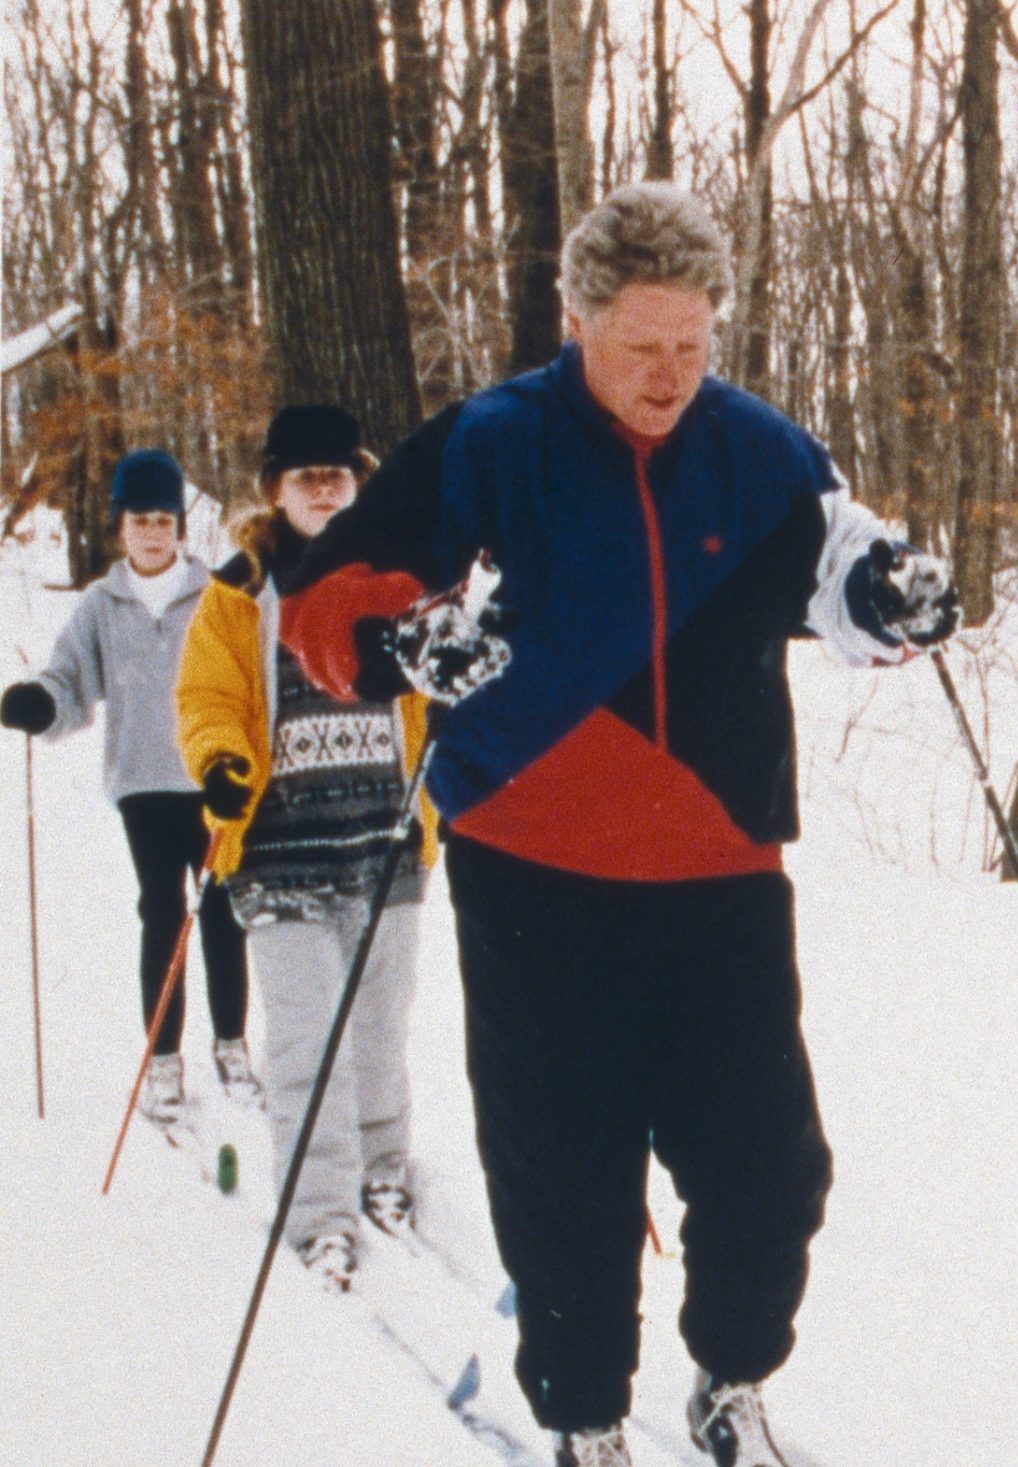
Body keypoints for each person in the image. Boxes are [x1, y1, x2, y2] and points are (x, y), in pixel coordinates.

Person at [274, 183, 959, 1467]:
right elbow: (327, 599)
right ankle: (588, 1420)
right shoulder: (493, 441)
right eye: (643, 346)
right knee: (566, 1179)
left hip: (721, 863)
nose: (670, 375)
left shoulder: (759, 450)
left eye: (694, 345)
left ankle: (731, 1379)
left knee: (771, 1168)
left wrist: (894, 595)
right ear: (577, 319)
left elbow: (836, 571)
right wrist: (404, 641)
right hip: (536, 863)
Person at [174, 405, 432, 1294]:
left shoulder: (398, 578)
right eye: (304, 477)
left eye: (336, 474)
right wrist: (219, 764)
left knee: (378, 1027)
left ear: (358, 481)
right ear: (273, 491)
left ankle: (383, 1167)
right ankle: (319, 1214)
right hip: (280, 853)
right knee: (303, 1042)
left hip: (385, 844)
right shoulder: (241, 589)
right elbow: (206, 695)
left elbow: (435, 694)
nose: (323, 489)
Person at [2, 449, 254, 1123]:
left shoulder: (217, 595)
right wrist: (39, 703)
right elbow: (69, 679)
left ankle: (232, 1044)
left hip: (213, 780)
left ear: (180, 525)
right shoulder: (100, 604)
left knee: (225, 911)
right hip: (142, 780)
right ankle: (163, 1058)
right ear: (121, 526)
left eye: (165, 519)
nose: (152, 531)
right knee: (162, 911)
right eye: (140, 519)